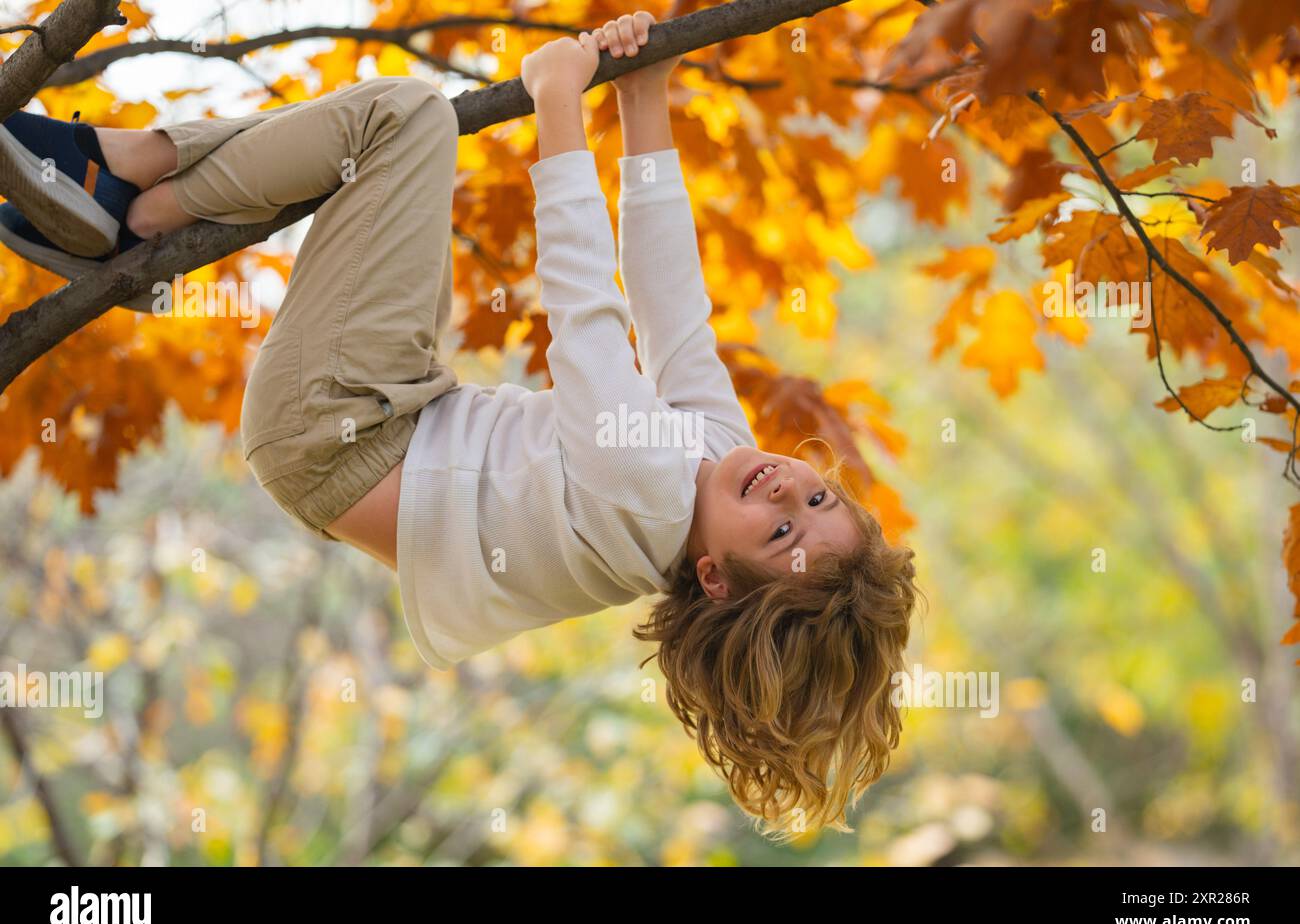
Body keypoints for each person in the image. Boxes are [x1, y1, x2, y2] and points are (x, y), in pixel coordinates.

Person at [0, 11, 917, 840]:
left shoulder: (643, 503)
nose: (787, 487)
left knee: (403, 120)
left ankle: (123, 183)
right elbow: (674, 309)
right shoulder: (717, 460)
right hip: (398, 403)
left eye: (785, 529)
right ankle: (134, 205)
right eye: (819, 493)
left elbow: (589, 321)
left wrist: (560, 108)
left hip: (332, 430)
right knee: (376, 143)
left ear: (715, 579)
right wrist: (645, 104)